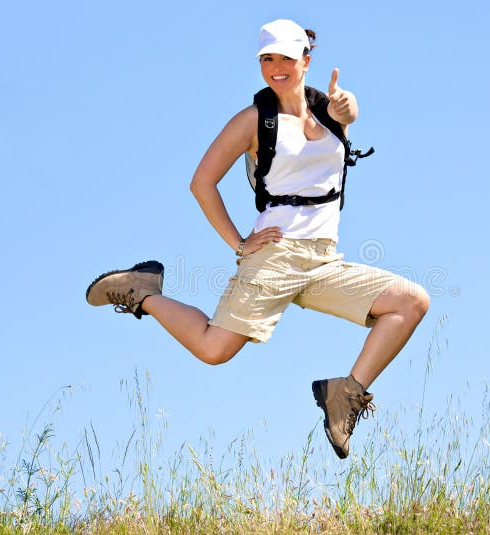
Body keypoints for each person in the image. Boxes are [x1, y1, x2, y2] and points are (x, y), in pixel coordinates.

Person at [86, 19, 430, 459]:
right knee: (214, 349)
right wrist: (239, 243)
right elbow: (202, 183)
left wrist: (347, 111)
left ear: (306, 60)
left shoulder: (332, 110)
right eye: (268, 59)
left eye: (286, 57)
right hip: (275, 256)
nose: (276, 67)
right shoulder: (253, 120)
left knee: (411, 301)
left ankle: (345, 394)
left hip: (324, 260)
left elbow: (349, 114)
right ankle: (141, 289)